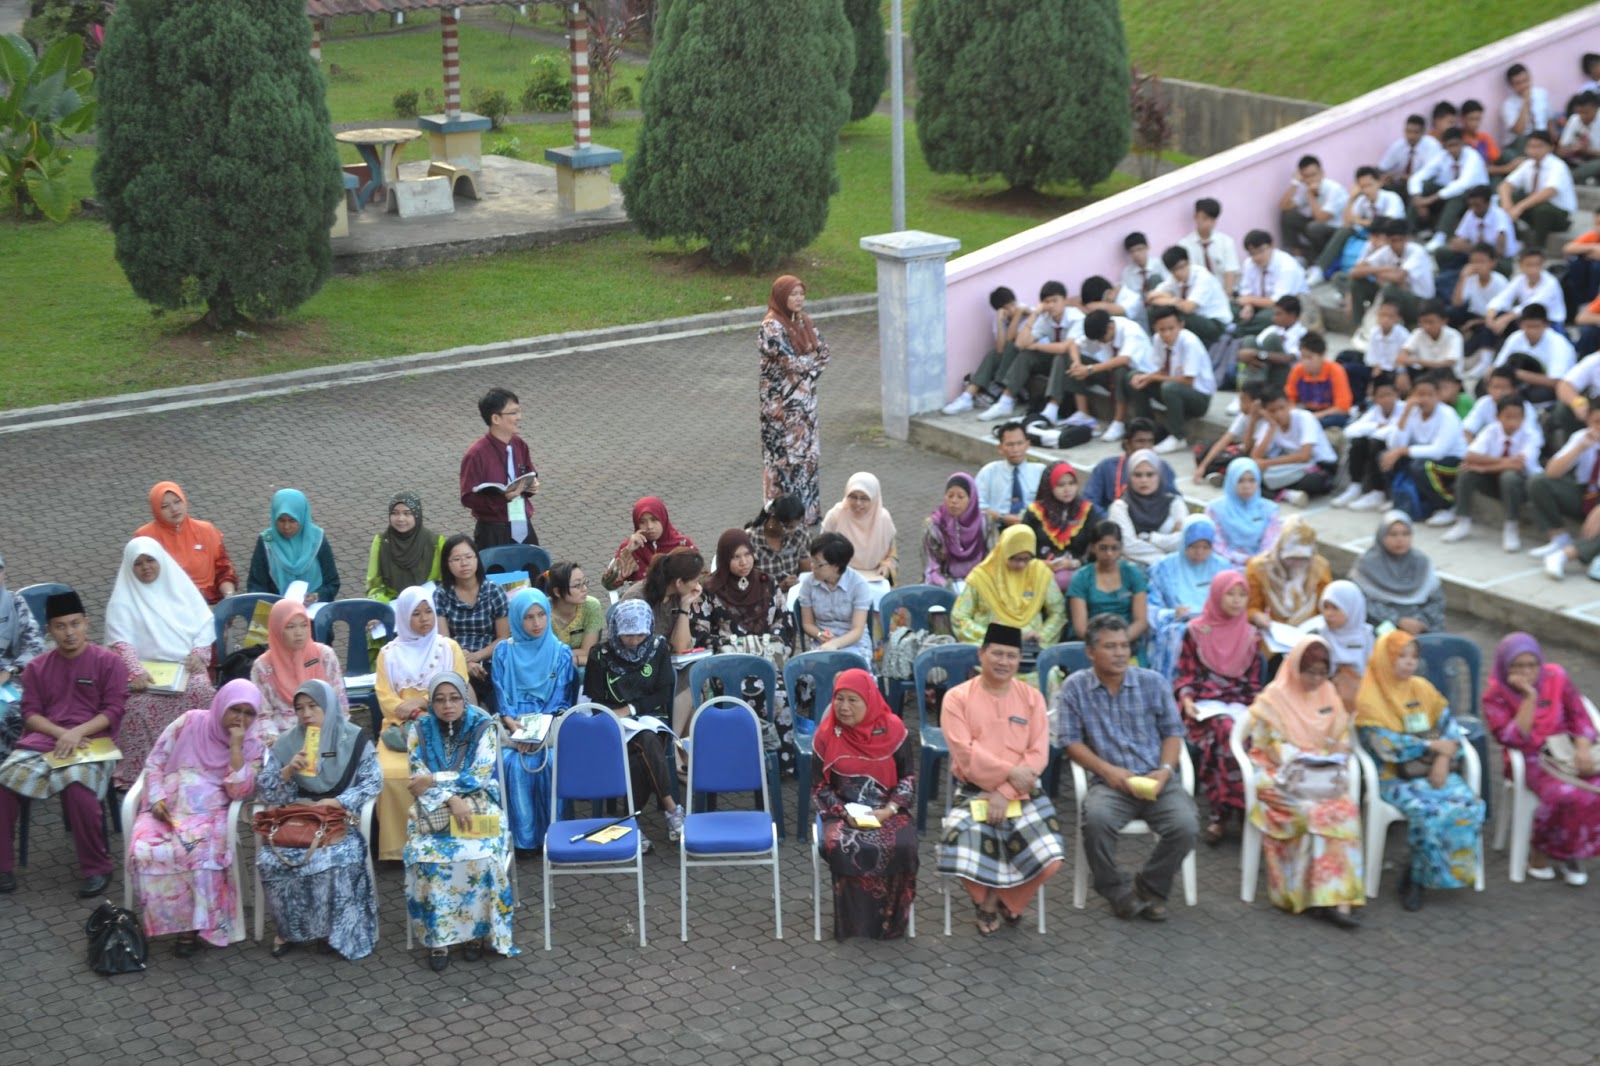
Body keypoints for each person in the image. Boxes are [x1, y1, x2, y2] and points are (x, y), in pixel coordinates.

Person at [1058, 614, 1198, 921]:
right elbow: (1070, 741)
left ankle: (1150, 888)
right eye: (1110, 646)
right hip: (1110, 783)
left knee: (1186, 825)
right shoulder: (1075, 687)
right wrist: (1107, 771)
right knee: (1095, 822)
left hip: (1155, 778)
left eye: (1124, 645)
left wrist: (1164, 770)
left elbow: (1173, 733)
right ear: (1091, 652)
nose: (1120, 653)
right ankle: (1117, 890)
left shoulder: (1153, 682)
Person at [938, 623, 1064, 934]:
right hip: (973, 791)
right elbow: (965, 754)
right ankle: (997, 899)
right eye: (996, 653)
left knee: (1051, 857)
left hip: (1023, 792)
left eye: (1011, 655)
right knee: (959, 846)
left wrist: (1006, 790)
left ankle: (997, 900)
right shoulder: (957, 698)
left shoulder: (1032, 698)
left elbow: (1038, 756)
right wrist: (1008, 774)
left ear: (1020, 659)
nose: (1003, 661)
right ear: (981, 654)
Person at [0, 590, 127, 897]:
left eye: (74, 624)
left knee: (78, 789)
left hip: (91, 744)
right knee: (3, 785)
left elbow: (113, 711)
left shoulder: (110, 663)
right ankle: (3, 866)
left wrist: (76, 733)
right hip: (42, 742)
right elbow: (30, 713)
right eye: (60, 626)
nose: (69, 633)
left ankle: (97, 868)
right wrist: (61, 734)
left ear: (86, 623)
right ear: (49, 630)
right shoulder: (37, 668)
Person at [126, 679, 262, 956]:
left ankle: (191, 930)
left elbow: (239, 792)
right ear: (221, 704)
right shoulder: (189, 722)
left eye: (249, 713)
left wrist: (235, 747)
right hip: (168, 806)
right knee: (145, 848)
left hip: (210, 814)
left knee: (198, 851)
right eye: (236, 709)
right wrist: (156, 798)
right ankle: (168, 922)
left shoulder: (252, 744)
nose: (241, 718)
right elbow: (155, 762)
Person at [1355, 631, 1485, 911]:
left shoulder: (1422, 689)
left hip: (1432, 770)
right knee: (1429, 811)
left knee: (1468, 805)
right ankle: (1417, 880)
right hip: (1393, 778)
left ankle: (1425, 871)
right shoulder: (1370, 697)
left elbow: (1450, 729)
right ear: (1384, 659)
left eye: (1414, 656)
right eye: (1401, 656)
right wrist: (1433, 745)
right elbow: (1386, 746)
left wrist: (1440, 759)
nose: (1409, 663)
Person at [1243, 636, 1364, 927]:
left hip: (1319, 774)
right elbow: (1268, 748)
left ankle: (1338, 898)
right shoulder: (1274, 699)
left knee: (1344, 810)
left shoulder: (1328, 695)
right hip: (1280, 776)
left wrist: (1337, 749)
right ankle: (1307, 895)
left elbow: (1340, 735)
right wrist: (1304, 755)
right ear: (1296, 668)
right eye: (1310, 672)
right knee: (1311, 811)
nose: (1316, 679)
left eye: (1323, 673)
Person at [257, 678, 381, 959]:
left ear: (328, 706)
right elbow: (265, 791)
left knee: (334, 857)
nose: (306, 714)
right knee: (270, 859)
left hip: (338, 819)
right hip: (299, 817)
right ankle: (290, 930)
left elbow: (373, 781)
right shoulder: (289, 742)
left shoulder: (354, 738)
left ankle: (334, 931)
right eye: (299, 708)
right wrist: (288, 772)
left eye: (313, 706)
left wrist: (339, 801)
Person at [404, 672, 518, 970]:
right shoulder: (419, 729)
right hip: (435, 811)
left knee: (480, 856)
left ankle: (475, 934)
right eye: (439, 700)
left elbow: (480, 775)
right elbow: (417, 781)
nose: (447, 705)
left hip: (480, 804)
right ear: (431, 703)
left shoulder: (483, 727)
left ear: (465, 699)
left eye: (454, 698)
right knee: (428, 857)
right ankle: (438, 938)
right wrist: (450, 798)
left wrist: (435, 779)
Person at [1482, 633, 1600, 885]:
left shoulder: (1556, 676)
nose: (1527, 672)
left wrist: (1582, 747)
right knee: (1566, 794)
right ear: (1505, 666)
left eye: (1532, 665)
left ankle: (1572, 849)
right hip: (1530, 759)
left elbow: (1579, 715)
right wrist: (1530, 698)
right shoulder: (1495, 696)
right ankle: (1541, 852)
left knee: (1593, 787)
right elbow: (1513, 739)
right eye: (1518, 665)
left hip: (1566, 751)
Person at [104, 537, 217, 790]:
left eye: (151, 560)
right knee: (137, 706)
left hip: (184, 667)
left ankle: (200, 765)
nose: (146, 568)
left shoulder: (180, 588)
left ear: (161, 560)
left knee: (201, 692)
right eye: (139, 563)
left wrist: (199, 655)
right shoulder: (123, 599)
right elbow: (120, 642)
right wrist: (136, 671)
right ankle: (142, 777)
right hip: (146, 674)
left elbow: (204, 624)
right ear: (129, 568)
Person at [812, 668, 918, 940]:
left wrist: (890, 809)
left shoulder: (894, 729)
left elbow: (907, 778)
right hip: (842, 811)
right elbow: (819, 787)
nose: (844, 707)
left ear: (869, 700)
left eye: (852, 700)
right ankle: (853, 925)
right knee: (844, 844)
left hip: (888, 809)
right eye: (839, 699)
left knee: (902, 843)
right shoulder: (827, 734)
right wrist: (842, 813)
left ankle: (891, 923)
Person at [581, 602, 685, 850]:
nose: (634, 640)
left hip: (652, 719)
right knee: (643, 747)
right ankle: (671, 809)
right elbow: (595, 701)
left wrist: (631, 709)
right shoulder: (599, 655)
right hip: (614, 728)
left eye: (640, 634)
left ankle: (629, 823)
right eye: (627, 634)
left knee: (645, 743)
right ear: (615, 630)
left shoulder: (658, 648)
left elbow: (664, 693)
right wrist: (616, 716)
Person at [375, 586, 468, 861]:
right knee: (391, 774)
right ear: (404, 617)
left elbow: (460, 686)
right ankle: (398, 848)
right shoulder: (388, 654)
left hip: (445, 721)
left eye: (429, 611)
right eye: (416, 613)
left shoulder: (448, 648)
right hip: (400, 728)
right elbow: (385, 697)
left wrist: (423, 703)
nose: (425, 619)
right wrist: (414, 714)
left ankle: (444, 834)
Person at [1173, 571, 1261, 844]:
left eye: (1242, 595)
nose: (1236, 601)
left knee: (1245, 732)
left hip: (1239, 705)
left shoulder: (1251, 636)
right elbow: (1185, 676)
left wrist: (1257, 707)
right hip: (1203, 708)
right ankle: (1225, 812)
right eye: (1230, 594)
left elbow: (1254, 684)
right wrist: (1186, 700)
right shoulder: (1196, 631)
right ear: (1216, 595)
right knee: (1225, 733)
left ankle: (1231, 807)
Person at [491, 588, 577, 852]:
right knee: (514, 764)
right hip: (513, 722)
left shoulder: (560, 652)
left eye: (541, 615)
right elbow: (500, 694)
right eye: (528, 617)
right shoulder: (503, 652)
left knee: (548, 760)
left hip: (547, 722)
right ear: (517, 619)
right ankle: (523, 840)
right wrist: (512, 724)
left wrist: (536, 732)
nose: (537, 623)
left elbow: (560, 699)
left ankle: (555, 833)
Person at [759, 274, 831, 526]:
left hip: (805, 410)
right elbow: (789, 362)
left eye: (801, 293)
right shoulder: (771, 327)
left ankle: (806, 517)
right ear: (781, 296)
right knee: (785, 465)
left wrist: (807, 369)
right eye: (793, 294)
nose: (799, 299)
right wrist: (808, 365)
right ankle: (781, 519)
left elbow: (824, 354)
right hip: (781, 412)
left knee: (807, 462)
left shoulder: (803, 321)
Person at [955, 527, 1067, 668]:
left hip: (1031, 652)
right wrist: (993, 639)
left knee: (1048, 677)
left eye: (1026, 559)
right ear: (1004, 552)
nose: (1021, 565)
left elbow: (1058, 612)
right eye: (1014, 559)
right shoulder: (982, 577)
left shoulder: (1040, 574)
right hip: (991, 652)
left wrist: (1042, 637)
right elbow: (959, 617)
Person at [1441, 394, 1542, 549]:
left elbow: (1518, 466)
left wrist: (1484, 467)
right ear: (1497, 417)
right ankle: (1463, 522)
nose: (1513, 422)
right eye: (1508, 417)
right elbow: (1470, 455)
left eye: (1517, 418)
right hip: (1494, 481)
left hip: (1521, 485)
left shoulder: (1531, 435)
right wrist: (1504, 461)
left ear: (1523, 418)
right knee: (1466, 472)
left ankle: (1511, 526)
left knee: (1509, 476)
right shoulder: (1491, 430)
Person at [978, 281, 1084, 425]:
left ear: (1064, 300)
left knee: (1059, 356)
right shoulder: (1045, 318)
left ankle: (1052, 409)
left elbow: (1065, 348)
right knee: (1026, 355)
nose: (1051, 305)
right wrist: (1035, 314)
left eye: (1055, 301)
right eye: (1047, 302)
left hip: (1078, 361)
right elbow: (1020, 344)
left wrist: (1036, 345)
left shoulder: (1076, 317)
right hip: (1056, 361)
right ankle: (1005, 402)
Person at [1368, 372, 1465, 520]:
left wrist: (1402, 451)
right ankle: (1400, 500)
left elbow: (1439, 451)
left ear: (1438, 395)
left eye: (1429, 394)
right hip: (1424, 458)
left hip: (1452, 461)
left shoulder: (1447, 414)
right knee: (1386, 456)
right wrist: (1405, 414)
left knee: (1421, 466)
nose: (1424, 399)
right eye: (1419, 394)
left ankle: (1447, 506)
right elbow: (1395, 444)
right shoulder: (1413, 412)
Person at [1144, 515, 1230, 681]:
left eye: (1205, 548)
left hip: (1213, 626)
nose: (1199, 553)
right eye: (1193, 547)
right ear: (1184, 543)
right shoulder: (1164, 567)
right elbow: (1151, 607)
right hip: (1177, 627)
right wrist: (1172, 614)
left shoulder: (1222, 568)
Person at [250, 598, 348, 741]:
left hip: (325, 731)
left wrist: (332, 732)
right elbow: (262, 715)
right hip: (283, 737)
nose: (299, 633)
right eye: (290, 627)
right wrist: (275, 740)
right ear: (277, 629)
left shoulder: (324, 655)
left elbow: (340, 702)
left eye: (304, 625)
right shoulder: (263, 666)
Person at [432, 535, 510, 713]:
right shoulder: (441, 595)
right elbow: (444, 640)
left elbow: (503, 637)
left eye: (468, 557)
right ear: (447, 563)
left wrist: (476, 657)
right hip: (454, 658)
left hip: (489, 657)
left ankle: (500, 721)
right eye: (457, 559)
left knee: (496, 694)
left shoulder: (493, 590)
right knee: (459, 686)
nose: (464, 563)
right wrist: (463, 662)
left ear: (477, 559)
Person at [1527, 399, 1600, 580]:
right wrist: (1580, 448)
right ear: (1588, 420)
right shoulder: (1581, 437)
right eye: (1597, 422)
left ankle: (1564, 555)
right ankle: (1559, 540)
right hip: (1584, 493)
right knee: (1539, 481)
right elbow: (1552, 471)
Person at [459, 387, 539, 548]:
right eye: (513, 413)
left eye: (519, 411)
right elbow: (467, 497)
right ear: (496, 418)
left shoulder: (519, 445)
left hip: (522, 524)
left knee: (533, 571)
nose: (519, 417)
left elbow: (529, 471)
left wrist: (533, 484)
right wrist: (502, 499)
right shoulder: (476, 455)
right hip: (493, 531)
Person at [1128, 304, 1217, 451]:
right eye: (1162, 330)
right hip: (1173, 391)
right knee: (1136, 377)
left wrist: (1152, 378)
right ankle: (1146, 429)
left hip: (1198, 398)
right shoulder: (1157, 340)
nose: (1167, 334)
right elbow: (1162, 369)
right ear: (1155, 328)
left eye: (1171, 328)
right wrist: (1146, 377)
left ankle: (1178, 437)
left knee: (1169, 387)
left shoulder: (1190, 343)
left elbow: (1188, 380)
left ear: (1181, 325)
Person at [134, 482, 237, 604]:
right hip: (168, 606)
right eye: (165, 506)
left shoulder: (206, 530)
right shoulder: (145, 537)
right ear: (156, 510)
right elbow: (141, 577)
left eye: (177, 502)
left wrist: (228, 596)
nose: (174, 509)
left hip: (208, 606)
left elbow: (224, 570)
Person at [695, 530, 793, 655]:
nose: (744, 562)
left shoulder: (767, 583)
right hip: (727, 660)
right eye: (736, 557)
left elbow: (783, 622)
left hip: (767, 655)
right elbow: (699, 632)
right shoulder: (710, 589)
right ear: (725, 558)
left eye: (747, 554)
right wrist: (732, 647)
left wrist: (768, 645)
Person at [1350, 511, 1446, 636]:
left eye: (1405, 534)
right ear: (1382, 535)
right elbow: (1361, 601)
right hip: (1384, 622)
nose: (1400, 540)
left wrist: (1420, 621)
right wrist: (1398, 620)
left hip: (1419, 623)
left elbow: (1437, 600)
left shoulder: (1421, 562)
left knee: (1437, 637)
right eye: (1393, 534)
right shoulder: (1367, 564)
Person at [942, 286, 1032, 415]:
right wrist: (1000, 322)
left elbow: (1014, 340)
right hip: (1010, 358)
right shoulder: (999, 320)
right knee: (992, 354)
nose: (1011, 309)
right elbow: (1000, 349)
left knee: (1011, 346)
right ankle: (967, 397)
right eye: (1006, 308)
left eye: (1013, 304)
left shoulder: (1025, 311)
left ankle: (999, 390)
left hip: (1027, 353)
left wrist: (1018, 315)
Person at [246, 488, 339, 603]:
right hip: (276, 614)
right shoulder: (267, 542)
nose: (286, 527)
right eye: (281, 520)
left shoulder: (317, 539)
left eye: (292, 520)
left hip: (313, 614)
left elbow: (332, 583)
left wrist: (316, 596)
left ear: (302, 517)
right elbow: (256, 586)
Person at [1021, 462, 1101, 592]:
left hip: (1079, 572)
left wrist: (1075, 563)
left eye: (1071, 483)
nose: (1067, 489)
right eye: (1060, 485)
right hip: (1039, 571)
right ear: (1049, 486)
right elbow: (1023, 546)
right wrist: (1038, 564)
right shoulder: (1035, 513)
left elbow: (1097, 545)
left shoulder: (1087, 511)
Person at [1068, 522, 1149, 648]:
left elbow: (1140, 621)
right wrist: (1104, 645)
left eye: (1114, 548)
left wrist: (1118, 643)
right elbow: (1080, 627)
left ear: (1121, 548)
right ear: (1093, 548)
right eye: (1103, 548)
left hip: (1127, 643)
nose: (1109, 554)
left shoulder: (1133, 574)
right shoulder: (1081, 577)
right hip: (1091, 644)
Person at [821, 472, 898, 605]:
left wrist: (887, 567)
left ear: (874, 499)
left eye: (864, 498)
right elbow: (820, 551)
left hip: (874, 581)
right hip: (839, 579)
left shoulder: (883, 519)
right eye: (853, 497)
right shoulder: (836, 516)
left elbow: (892, 555)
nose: (858, 503)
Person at [796, 533, 873, 664]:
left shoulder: (858, 585)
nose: (812, 566)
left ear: (836, 566)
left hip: (853, 642)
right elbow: (807, 624)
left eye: (818, 564)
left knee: (852, 675)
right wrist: (820, 635)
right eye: (812, 560)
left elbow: (857, 630)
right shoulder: (809, 583)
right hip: (822, 641)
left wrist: (835, 644)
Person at [1333, 373, 1406, 510]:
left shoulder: (1404, 409)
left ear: (1397, 395)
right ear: (1375, 399)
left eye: (1389, 394)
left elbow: (1395, 433)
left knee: (1375, 442)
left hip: (1398, 448)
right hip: (1380, 444)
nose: (1386, 399)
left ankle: (1377, 492)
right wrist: (1376, 426)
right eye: (1382, 396)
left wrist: (1378, 430)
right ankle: (1355, 487)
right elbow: (1349, 431)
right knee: (1358, 442)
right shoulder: (1375, 412)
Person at [1246, 517, 1330, 631]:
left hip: (1311, 631)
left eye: (1303, 559)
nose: (1297, 564)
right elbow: (1251, 606)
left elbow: (1326, 605)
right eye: (1292, 558)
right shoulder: (1259, 568)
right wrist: (1257, 616)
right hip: (1273, 631)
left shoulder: (1319, 568)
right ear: (1280, 552)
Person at [1106, 448, 1187, 567]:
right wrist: (1166, 555)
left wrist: (1149, 538)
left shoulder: (1175, 503)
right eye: (1137, 475)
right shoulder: (1120, 507)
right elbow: (1128, 546)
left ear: (1159, 475)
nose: (1144, 480)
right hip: (1135, 571)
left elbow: (1183, 540)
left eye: (1150, 474)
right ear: (1129, 477)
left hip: (1172, 569)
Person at [601, 496, 697, 593]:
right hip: (642, 603)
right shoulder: (633, 548)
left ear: (663, 518)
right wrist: (628, 551)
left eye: (654, 519)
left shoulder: (682, 544)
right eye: (642, 522)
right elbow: (609, 584)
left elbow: (700, 576)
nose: (649, 526)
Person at [1407, 127, 1490, 239]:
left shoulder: (1472, 157)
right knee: (1424, 186)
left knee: (1457, 195)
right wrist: (1418, 200)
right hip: (1445, 194)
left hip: (1472, 195)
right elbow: (1417, 177)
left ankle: (1440, 236)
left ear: (1462, 143)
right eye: (1449, 146)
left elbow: (1462, 184)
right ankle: (1409, 230)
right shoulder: (1442, 156)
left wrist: (1429, 200)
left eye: (1456, 145)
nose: (1453, 149)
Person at [1500, 131, 1576, 251]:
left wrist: (1519, 207)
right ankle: (1514, 240)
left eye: (1539, 146)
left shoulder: (1557, 166)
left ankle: (1537, 248)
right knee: (1502, 201)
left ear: (1550, 148)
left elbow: (1548, 192)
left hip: (1558, 213)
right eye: (1531, 146)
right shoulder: (1528, 164)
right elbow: (1506, 185)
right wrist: (1507, 205)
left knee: (1543, 210)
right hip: (1534, 208)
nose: (1534, 150)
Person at [365, 491, 444, 603]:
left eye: (407, 513)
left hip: (427, 604)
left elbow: (443, 581)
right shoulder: (381, 542)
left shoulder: (434, 542)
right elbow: (374, 586)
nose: (400, 519)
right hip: (392, 605)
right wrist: (387, 606)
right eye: (395, 513)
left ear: (417, 515)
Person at [626, 548, 706, 655]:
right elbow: (634, 646)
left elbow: (680, 648)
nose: (698, 586)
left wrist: (685, 606)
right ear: (679, 582)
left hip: (666, 658)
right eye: (696, 581)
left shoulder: (679, 596)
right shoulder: (637, 600)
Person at [1205, 457, 1282, 567]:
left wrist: (1258, 561)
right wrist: (1242, 559)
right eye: (1240, 480)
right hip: (1225, 565)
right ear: (1231, 481)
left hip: (1261, 565)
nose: (1247, 486)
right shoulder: (1215, 509)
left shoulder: (1269, 509)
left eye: (1252, 480)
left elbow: (1271, 542)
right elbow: (1216, 545)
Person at [1148, 248, 1233, 347]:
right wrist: (1171, 300)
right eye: (1174, 270)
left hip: (1215, 323)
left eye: (1181, 267)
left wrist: (1169, 299)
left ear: (1188, 262)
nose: (1179, 273)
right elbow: (1151, 297)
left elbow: (1188, 308)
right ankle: (1160, 343)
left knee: (1178, 317)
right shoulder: (1174, 279)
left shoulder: (1202, 277)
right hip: (1196, 319)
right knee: (1154, 310)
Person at [1084, 419, 1178, 508]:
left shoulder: (1163, 467)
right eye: (1140, 441)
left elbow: (1173, 500)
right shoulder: (1106, 467)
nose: (1146, 447)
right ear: (1127, 444)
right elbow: (1089, 501)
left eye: (1150, 442)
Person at [1310, 581, 1375, 709]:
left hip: (1364, 694)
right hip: (1323, 695)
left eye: (1335, 608)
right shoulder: (1318, 635)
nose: (1328, 614)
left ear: (1352, 608)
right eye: (1325, 607)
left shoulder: (1367, 636)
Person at [923, 472, 989, 589]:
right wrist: (949, 587)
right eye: (950, 495)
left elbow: (993, 562)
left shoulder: (985, 524)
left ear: (971, 499)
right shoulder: (935, 526)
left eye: (960, 496)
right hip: (946, 585)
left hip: (980, 584)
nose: (954, 501)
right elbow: (932, 567)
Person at [1279, 154, 1349, 263]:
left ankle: (1320, 258)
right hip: (1317, 229)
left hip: (1337, 232)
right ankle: (1298, 256)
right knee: (1289, 215)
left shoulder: (1334, 189)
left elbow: (1322, 219)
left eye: (1314, 175)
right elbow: (1284, 206)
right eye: (1306, 176)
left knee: (1314, 227)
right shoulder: (1307, 190)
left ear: (1322, 173)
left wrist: (1311, 196)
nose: (1311, 180)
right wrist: (1295, 183)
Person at [1234, 295, 1305, 394]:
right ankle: (1250, 390)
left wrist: (1258, 354)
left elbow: (1289, 358)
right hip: (1264, 369)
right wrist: (1246, 354)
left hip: (1285, 375)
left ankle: (1255, 392)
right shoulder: (1272, 329)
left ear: (1292, 315)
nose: (1273, 318)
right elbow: (1252, 349)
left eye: (1278, 314)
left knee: (1272, 339)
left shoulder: (1302, 334)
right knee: (1249, 340)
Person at [536, 563, 603, 668]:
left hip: (578, 665)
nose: (584, 588)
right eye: (577, 585)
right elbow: (541, 653)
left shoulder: (592, 606)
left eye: (585, 582)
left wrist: (569, 660)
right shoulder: (542, 611)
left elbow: (587, 651)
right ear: (557, 592)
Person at [743, 495, 811, 591]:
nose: (793, 531)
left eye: (797, 525)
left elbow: (806, 572)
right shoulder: (750, 539)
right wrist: (778, 587)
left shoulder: (800, 533)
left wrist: (798, 583)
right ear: (773, 520)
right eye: (789, 527)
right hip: (761, 597)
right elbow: (744, 581)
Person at [1285, 334, 1353, 429]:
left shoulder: (1336, 370)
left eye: (1309, 358)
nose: (1305, 362)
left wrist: (1316, 416)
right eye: (1303, 357)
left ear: (1322, 356)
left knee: (1336, 420)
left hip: (1328, 413)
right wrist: (1295, 412)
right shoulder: (1297, 371)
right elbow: (1289, 399)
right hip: (1306, 411)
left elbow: (1342, 407)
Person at [0, 553, 44, 695]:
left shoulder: (15, 602)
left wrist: (11, 669)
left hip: (10, 680)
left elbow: (36, 644)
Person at [1181, 197, 1242, 296]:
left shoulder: (1226, 242)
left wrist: (1225, 298)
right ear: (1196, 217)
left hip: (1227, 295)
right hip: (1200, 298)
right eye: (1205, 218)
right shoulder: (1185, 245)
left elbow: (1230, 273)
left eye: (1213, 220)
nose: (1209, 224)